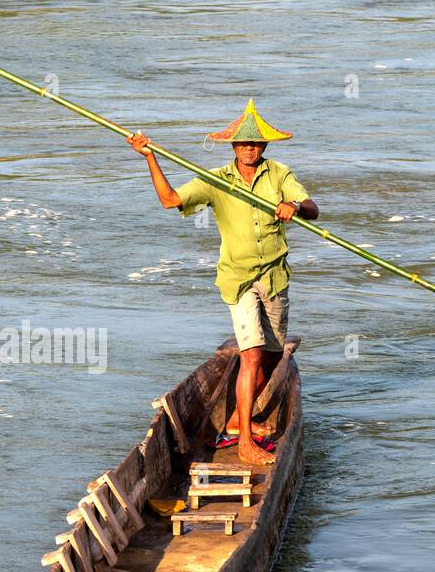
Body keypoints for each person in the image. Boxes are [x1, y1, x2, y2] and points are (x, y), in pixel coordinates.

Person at [129, 98, 319, 465]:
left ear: (263, 147)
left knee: (273, 354)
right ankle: (245, 441)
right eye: (243, 143)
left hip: (275, 276)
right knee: (249, 355)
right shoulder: (217, 181)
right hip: (238, 278)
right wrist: (149, 156)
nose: (250, 149)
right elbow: (170, 201)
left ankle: (235, 419)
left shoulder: (279, 174)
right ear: (234, 147)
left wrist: (295, 208)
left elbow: (312, 207)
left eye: (256, 143)